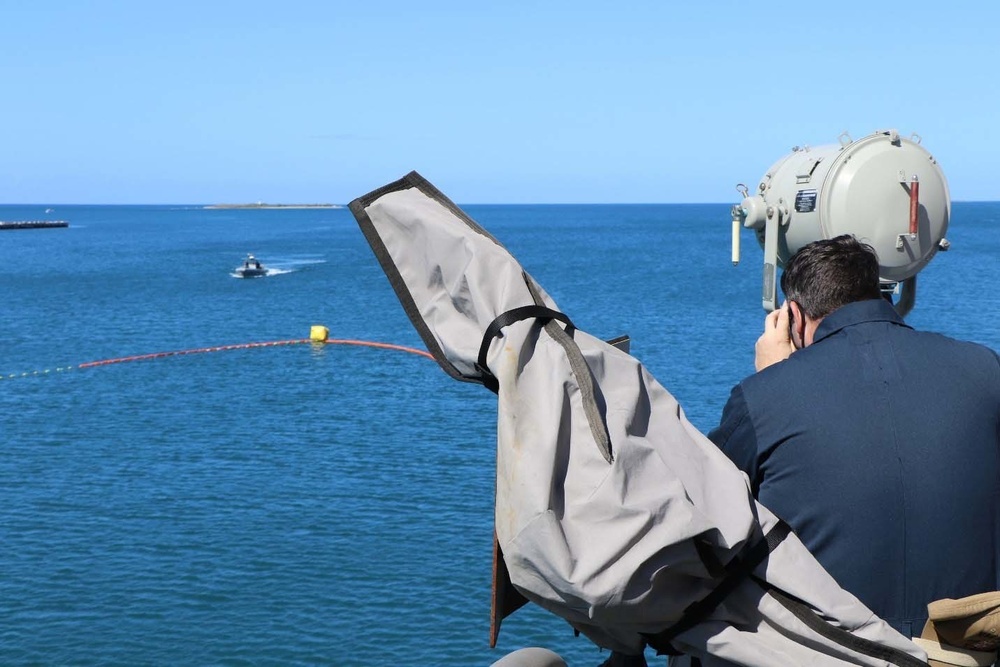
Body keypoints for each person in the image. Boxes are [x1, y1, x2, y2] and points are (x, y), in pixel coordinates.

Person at [709, 234, 1000, 639]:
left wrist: (770, 379)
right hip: (964, 649)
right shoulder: (985, 370)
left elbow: (713, 503)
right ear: (877, 292)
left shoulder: (763, 397)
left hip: (828, 650)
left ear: (793, 314)